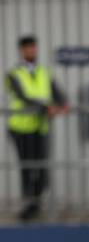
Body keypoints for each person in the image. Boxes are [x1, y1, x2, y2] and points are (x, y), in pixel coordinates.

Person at [5, 35, 69, 220]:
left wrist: (62, 104)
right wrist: (47, 107)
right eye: (27, 48)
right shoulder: (13, 74)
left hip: (40, 127)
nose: (31, 51)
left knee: (41, 168)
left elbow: (57, 92)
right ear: (21, 51)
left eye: (33, 47)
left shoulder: (44, 71)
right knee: (27, 167)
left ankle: (36, 201)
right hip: (20, 127)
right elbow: (23, 96)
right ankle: (29, 203)